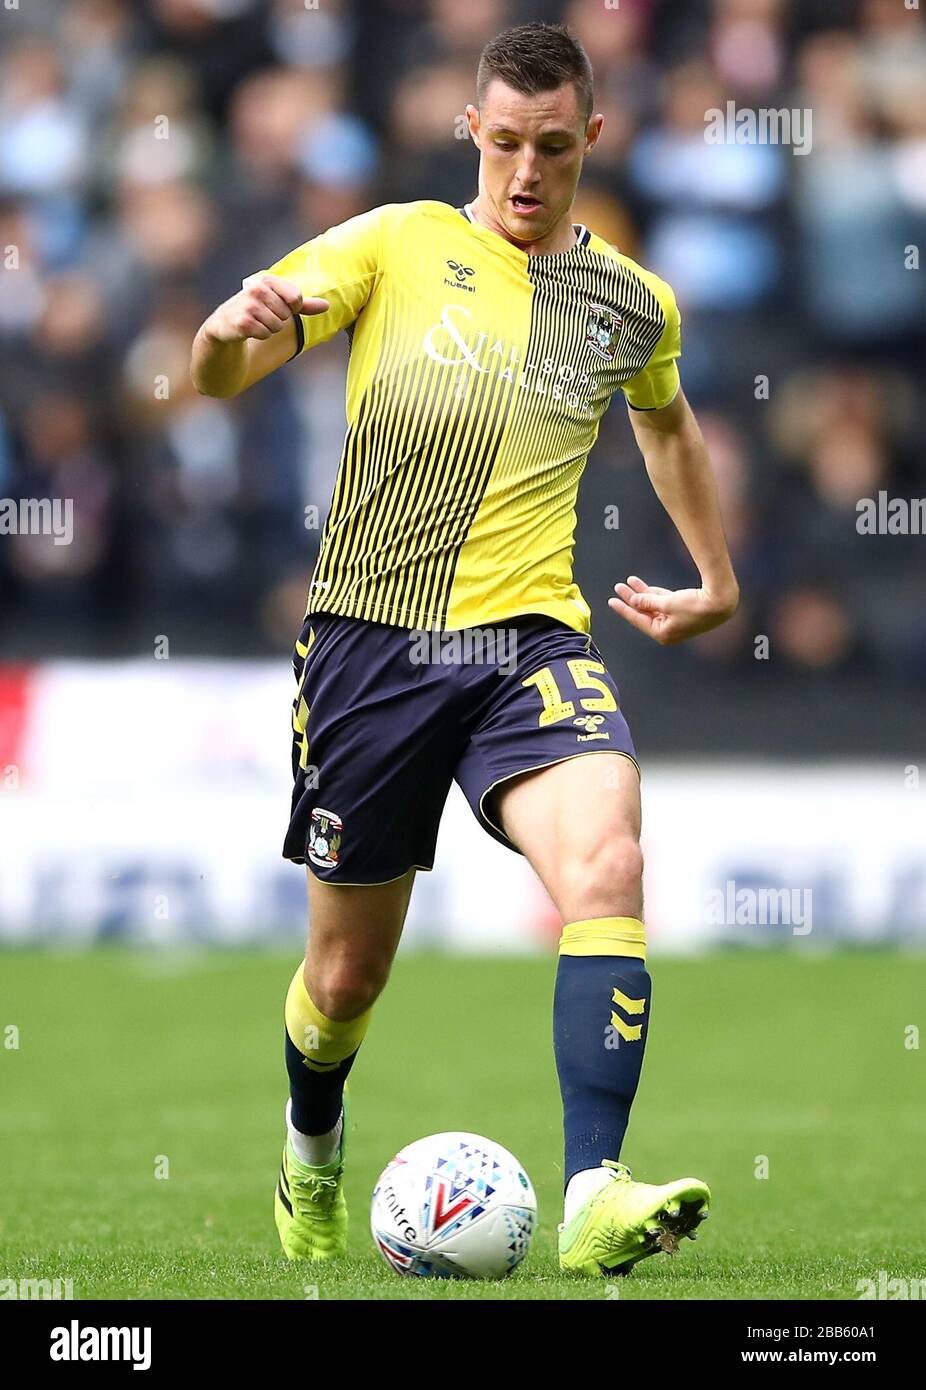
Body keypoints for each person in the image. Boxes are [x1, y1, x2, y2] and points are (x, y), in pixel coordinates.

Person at [190, 22, 739, 1278]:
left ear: (592, 137)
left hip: (527, 643)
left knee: (605, 858)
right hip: (367, 652)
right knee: (341, 979)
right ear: (471, 134)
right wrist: (228, 332)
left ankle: (593, 1189)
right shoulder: (393, 242)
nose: (526, 173)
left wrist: (715, 576)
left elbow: (669, 429)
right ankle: (310, 1148)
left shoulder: (628, 301)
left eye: (553, 147)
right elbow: (224, 372)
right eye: (503, 145)